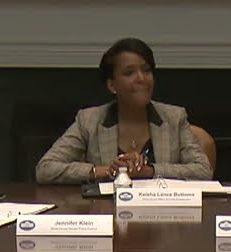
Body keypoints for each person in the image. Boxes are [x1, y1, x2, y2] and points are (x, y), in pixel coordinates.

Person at [36, 37, 212, 184]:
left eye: (147, 70)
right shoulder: (89, 120)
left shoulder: (175, 117)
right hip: (107, 214)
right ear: (112, 85)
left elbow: (203, 170)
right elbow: (45, 169)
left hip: (163, 216)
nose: (142, 79)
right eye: (129, 73)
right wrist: (106, 171)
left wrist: (150, 171)